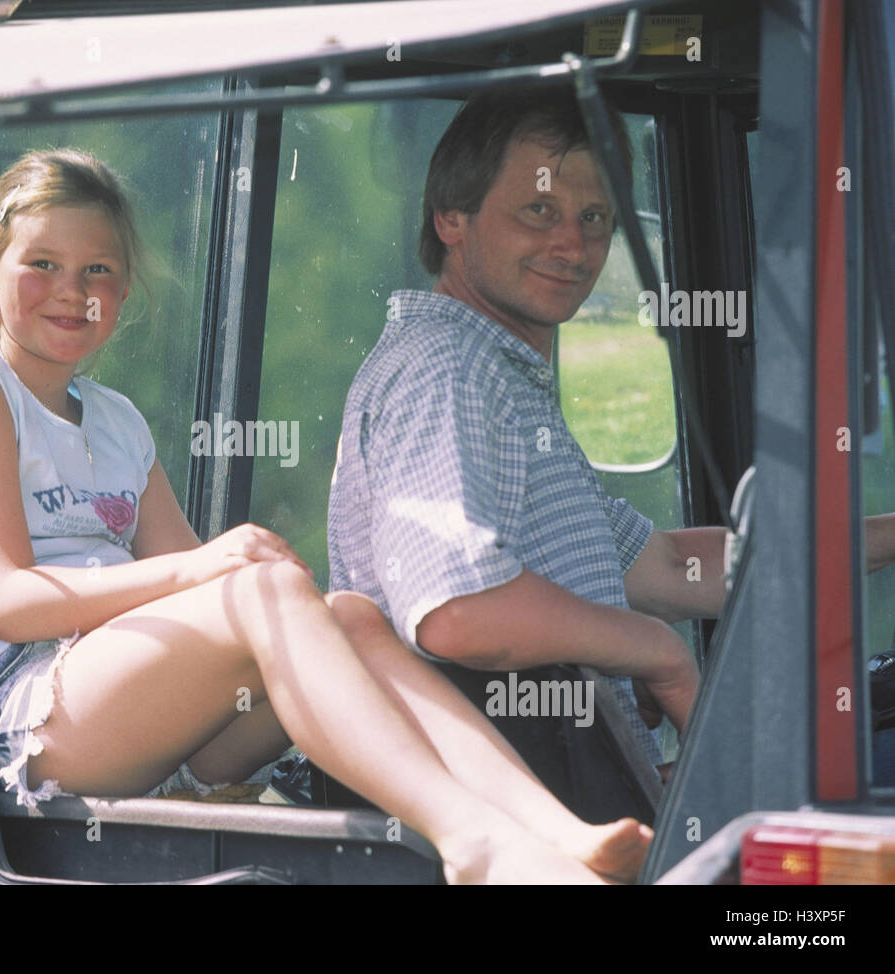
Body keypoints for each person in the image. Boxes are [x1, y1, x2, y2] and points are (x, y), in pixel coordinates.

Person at [0, 147, 655, 883]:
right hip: (41, 715)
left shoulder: (116, 421)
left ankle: (549, 831)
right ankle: (469, 840)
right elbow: (11, 602)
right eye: (42, 265)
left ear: (122, 291)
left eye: (99, 271)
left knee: (349, 614)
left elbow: (198, 599)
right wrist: (212, 565)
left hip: (149, 712)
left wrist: (242, 579)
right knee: (261, 595)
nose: (72, 291)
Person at [327, 85, 895, 772]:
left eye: (594, 216)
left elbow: (668, 567)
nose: (572, 243)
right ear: (452, 216)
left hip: (576, 778)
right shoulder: (447, 368)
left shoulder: (501, 380)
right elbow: (457, 610)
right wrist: (652, 649)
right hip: (519, 805)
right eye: (540, 211)